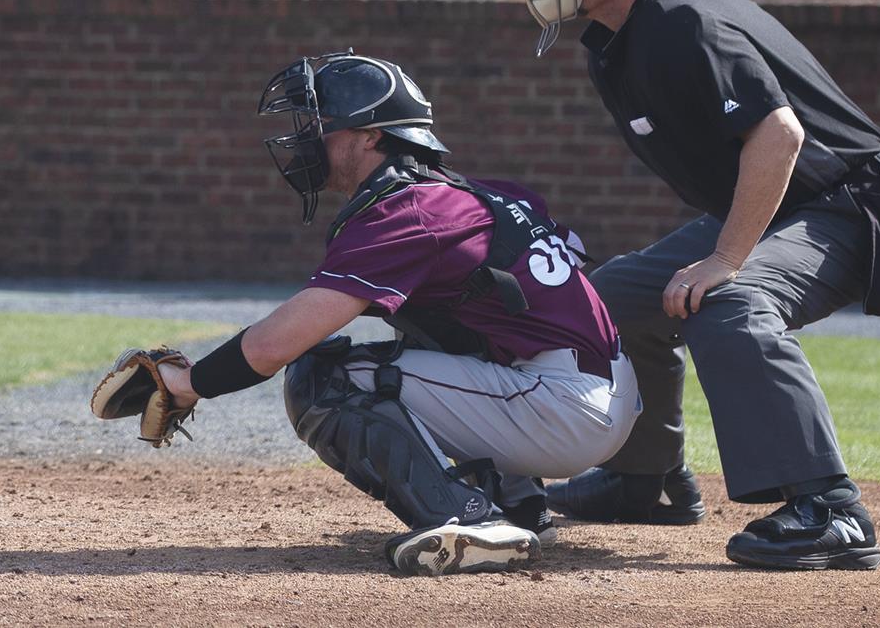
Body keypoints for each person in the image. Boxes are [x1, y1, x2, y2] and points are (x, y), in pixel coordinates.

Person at [512, 0, 880, 570]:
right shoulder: (624, 35)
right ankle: (645, 479)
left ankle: (833, 508)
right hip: (794, 203)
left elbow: (779, 137)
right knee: (611, 300)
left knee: (728, 299)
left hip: (847, 205)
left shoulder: (684, 19)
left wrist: (726, 258)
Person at [115, 52, 636, 576]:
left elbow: (278, 344)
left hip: (560, 405)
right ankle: (518, 505)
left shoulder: (406, 210)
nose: (307, 138)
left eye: (320, 125)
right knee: (429, 334)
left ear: (368, 136)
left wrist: (191, 382)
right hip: (589, 387)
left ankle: (471, 520)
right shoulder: (478, 195)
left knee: (325, 376)